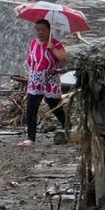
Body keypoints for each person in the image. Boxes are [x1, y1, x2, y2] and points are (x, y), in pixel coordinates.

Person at [21, 18, 69, 146]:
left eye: (42, 30)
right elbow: (30, 60)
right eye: (37, 30)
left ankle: (69, 129)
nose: (39, 33)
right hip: (36, 80)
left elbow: (64, 59)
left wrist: (52, 49)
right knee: (31, 108)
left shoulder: (55, 44)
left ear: (49, 30)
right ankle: (31, 138)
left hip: (50, 80)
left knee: (55, 106)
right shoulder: (33, 43)